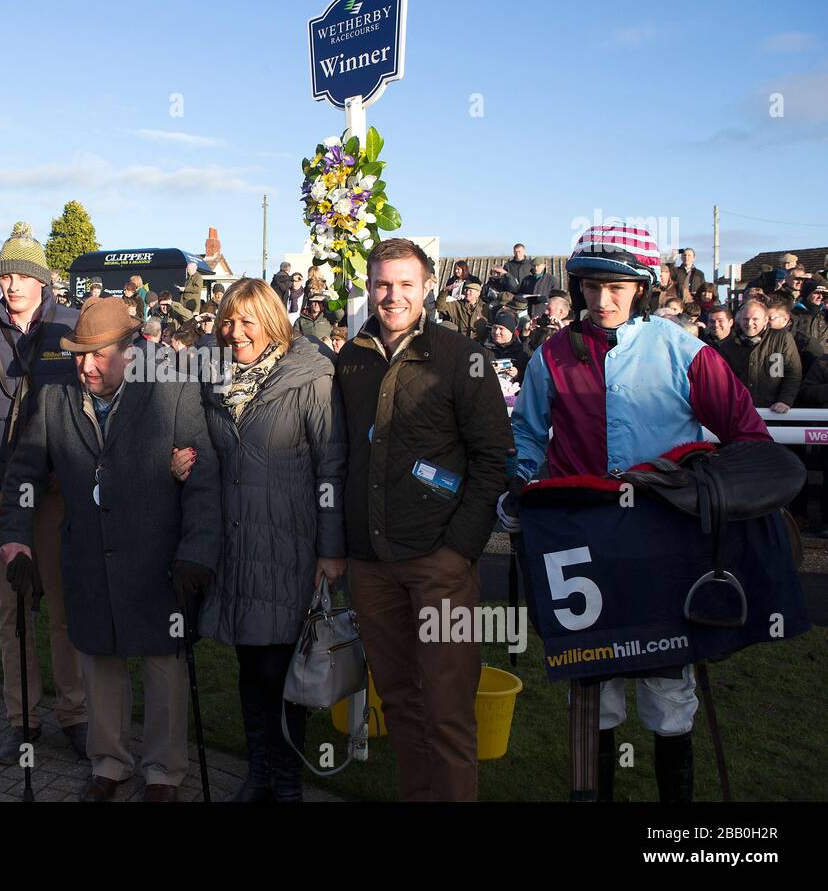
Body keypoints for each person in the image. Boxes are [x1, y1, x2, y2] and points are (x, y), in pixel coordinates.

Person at [504, 224, 772, 802]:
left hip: (664, 542)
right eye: (592, 286)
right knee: (594, 692)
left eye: (618, 287)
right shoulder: (551, 355)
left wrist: (710, 492)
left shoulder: (684, 351)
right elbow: (526, 436)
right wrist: (522, 486)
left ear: (643, 287)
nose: (603, 300)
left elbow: (747, 437)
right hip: (584, 545)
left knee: (668, 694)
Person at [0, 297, 222, 801]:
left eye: (99, 355)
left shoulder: (173, 390)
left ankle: (164, 771)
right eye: (79, 355)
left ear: (131, 351)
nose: (86, 366)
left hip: (159, 560)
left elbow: (203, 478)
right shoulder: (54, 400)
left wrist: (197, 552)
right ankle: (109, 763)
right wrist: (16, 538)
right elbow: (24, 474)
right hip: (89, 557)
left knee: (164, 665)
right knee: (99, 661)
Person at [335, 238, 512, 801]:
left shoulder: (462, 356)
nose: (394, 296)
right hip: (371, 562)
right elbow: (341, 454)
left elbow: (493, 459)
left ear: (427, 287)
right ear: (369, 287)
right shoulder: (352, 359)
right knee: (400, 704)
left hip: (439, 563)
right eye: (383, 284)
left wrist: (459, 549)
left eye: (406, 284)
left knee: (448, 709)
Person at [171, 279, 344, 801]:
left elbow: (330, 465)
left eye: (248, 321)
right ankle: (259, 772)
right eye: (228, 321)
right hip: (237, 543)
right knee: (250, 665)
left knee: (283, 669)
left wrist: (330, 549)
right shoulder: (214, 378)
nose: (236, 332)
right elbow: (202, 443)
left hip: (290, 542)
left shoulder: (309, 378)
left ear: (272, 322)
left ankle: (285, 780)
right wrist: (185, 458)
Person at [0, 222, 88, 764]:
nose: (12, 284)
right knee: (11, 608)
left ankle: (76, 713)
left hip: (58, 485)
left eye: (22, 275)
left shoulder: (72, 327)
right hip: (0, 485)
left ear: (43, 281)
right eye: (5, 275)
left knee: (62, 605)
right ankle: (22, 719)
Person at [716, 300, 802, 413]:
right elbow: (722, 380)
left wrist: (784, 400)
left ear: (765, 320)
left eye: (755, 319)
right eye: (745, 319)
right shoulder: (727, 346)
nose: (750, 323)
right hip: (740, 412)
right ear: (739, 320)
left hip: (774, 412)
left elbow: (793, 373)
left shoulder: (782, 339)